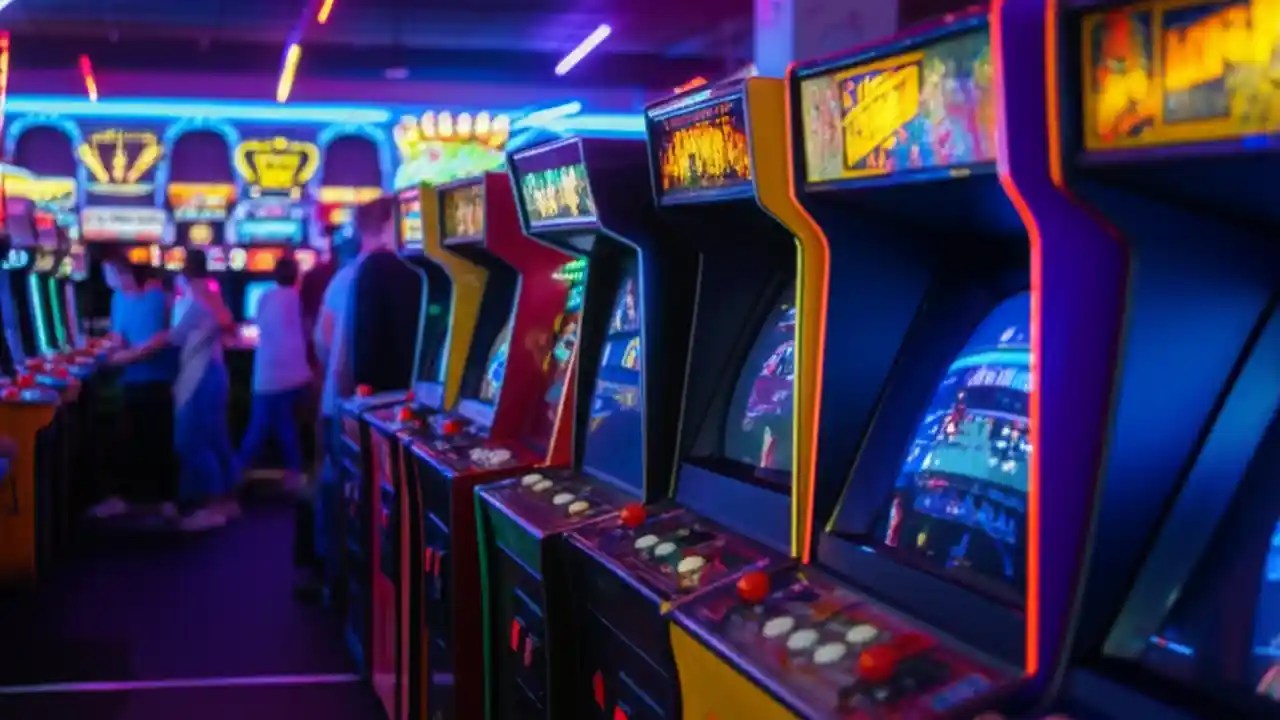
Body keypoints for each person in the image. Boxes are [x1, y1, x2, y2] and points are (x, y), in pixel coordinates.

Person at [114, 250, 237, 531]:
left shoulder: (197, 297)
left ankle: (210, 506)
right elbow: (227, 325)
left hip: (201, 375)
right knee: (214, 439)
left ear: (185, 270)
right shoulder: (206, 293)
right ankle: (224, 501)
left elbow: (174, 337)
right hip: (211, 372)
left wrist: (126, 354)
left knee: (191, 441)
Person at [90, 257, 177, 519]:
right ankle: (125, 499)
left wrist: (116, 359)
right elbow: (119, 336)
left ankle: (166, 501)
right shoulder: (118, 298)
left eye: (110, 272)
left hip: (158, 379)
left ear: (125, 272)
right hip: (130, 380)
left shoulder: (157, 297)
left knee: (158, 441)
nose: (107, 279)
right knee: (128, 440)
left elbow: (154, 344)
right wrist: (100, 349)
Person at [235, 255, 311, 483]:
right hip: (296, 376)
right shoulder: (299, 298)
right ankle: (295, 475)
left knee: (259, 430)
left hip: (269, 376)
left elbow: (257, 326)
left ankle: (236, 476)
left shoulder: (265, 297)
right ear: (296, 276)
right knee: (285, 426)